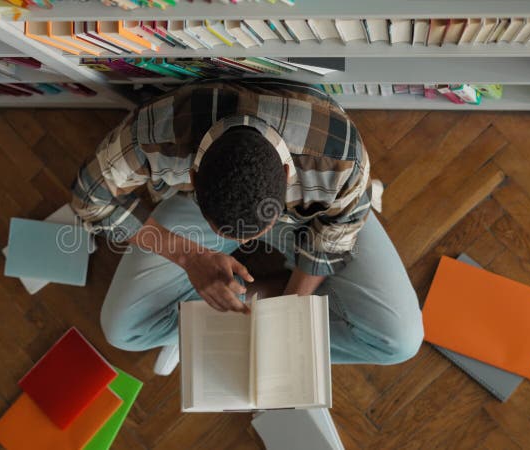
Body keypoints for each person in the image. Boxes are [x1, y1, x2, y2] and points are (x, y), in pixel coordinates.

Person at [70, 79, 423, 375]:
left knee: (400, 341)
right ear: (194, 175)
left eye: (252, 234)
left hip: (308, 214)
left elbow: (333, 235)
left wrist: (291, 310)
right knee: (123, 330)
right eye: (228, 234)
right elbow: (87, 197)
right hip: (196, 206)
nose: (244, 242)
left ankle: (213, 318)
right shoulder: (152, 132)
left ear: (286, 175)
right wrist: (190, 258)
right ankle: (225, 307)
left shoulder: (341, 156)